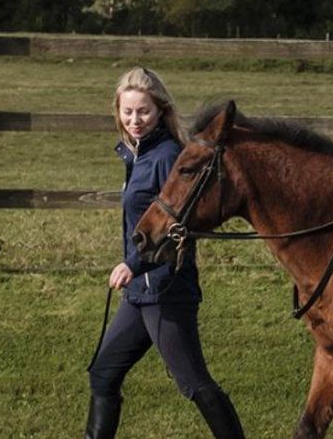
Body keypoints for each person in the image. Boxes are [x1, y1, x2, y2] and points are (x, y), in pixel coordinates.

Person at [84, 67, 246, 439]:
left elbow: (176, 228)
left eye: (143, 111)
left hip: (166, 289)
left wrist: (132, 263)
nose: (135, 120)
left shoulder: (168, 156)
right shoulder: (137, 153)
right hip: (140, 292)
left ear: (161, 110)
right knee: (103, 374)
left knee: (194, 382)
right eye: (127, 111)